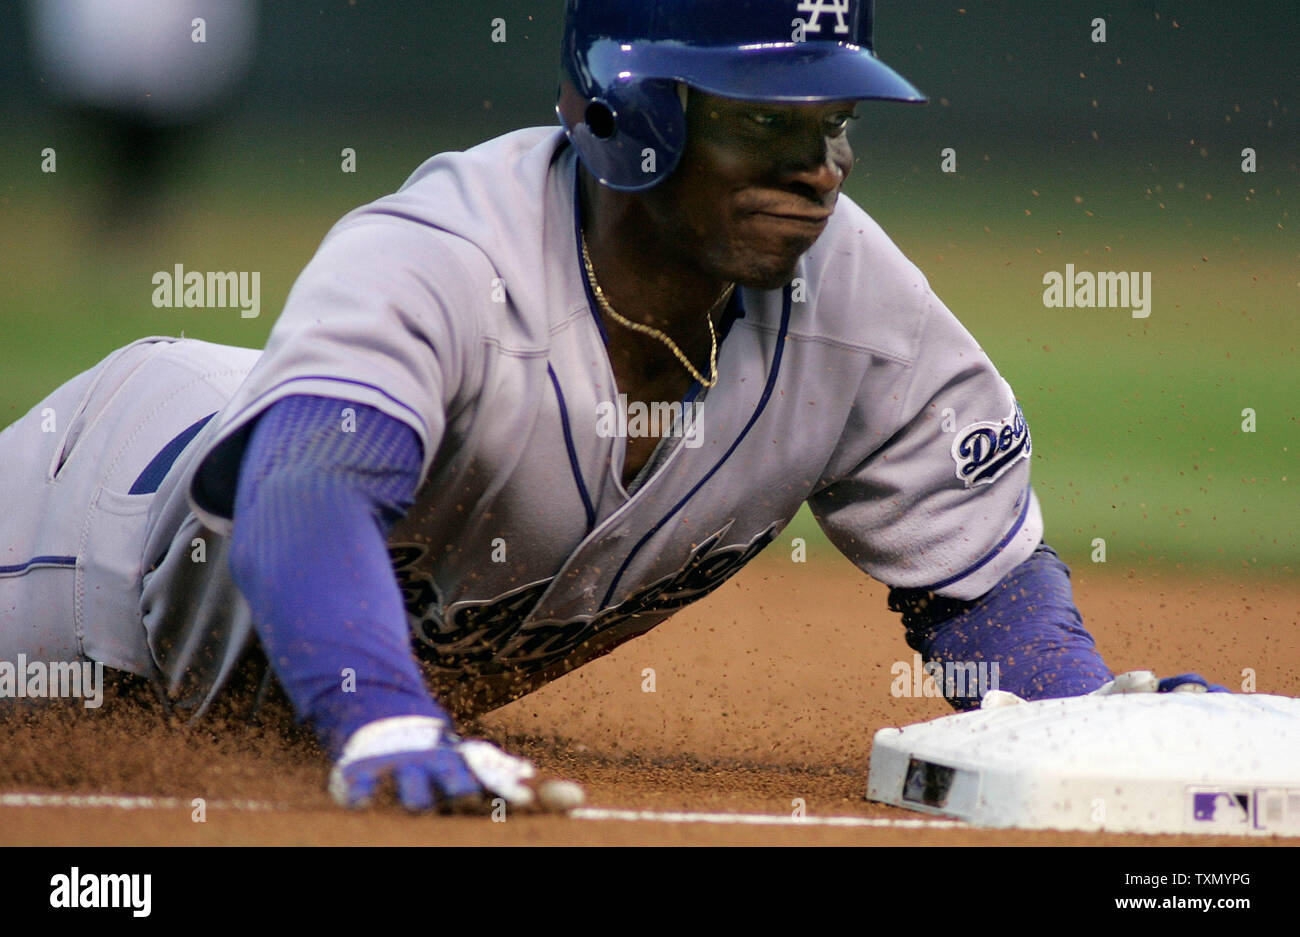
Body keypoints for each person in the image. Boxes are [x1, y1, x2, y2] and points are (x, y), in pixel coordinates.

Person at [0, 0, 1220, 813]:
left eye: (834, 127)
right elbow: (303, 487)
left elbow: (984, 594)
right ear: (629, 121)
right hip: (91, 525)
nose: (820, 172)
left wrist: (1086, 722)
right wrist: (375, 716)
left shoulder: (858, 308)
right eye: (766, 123)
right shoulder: (442, 256)